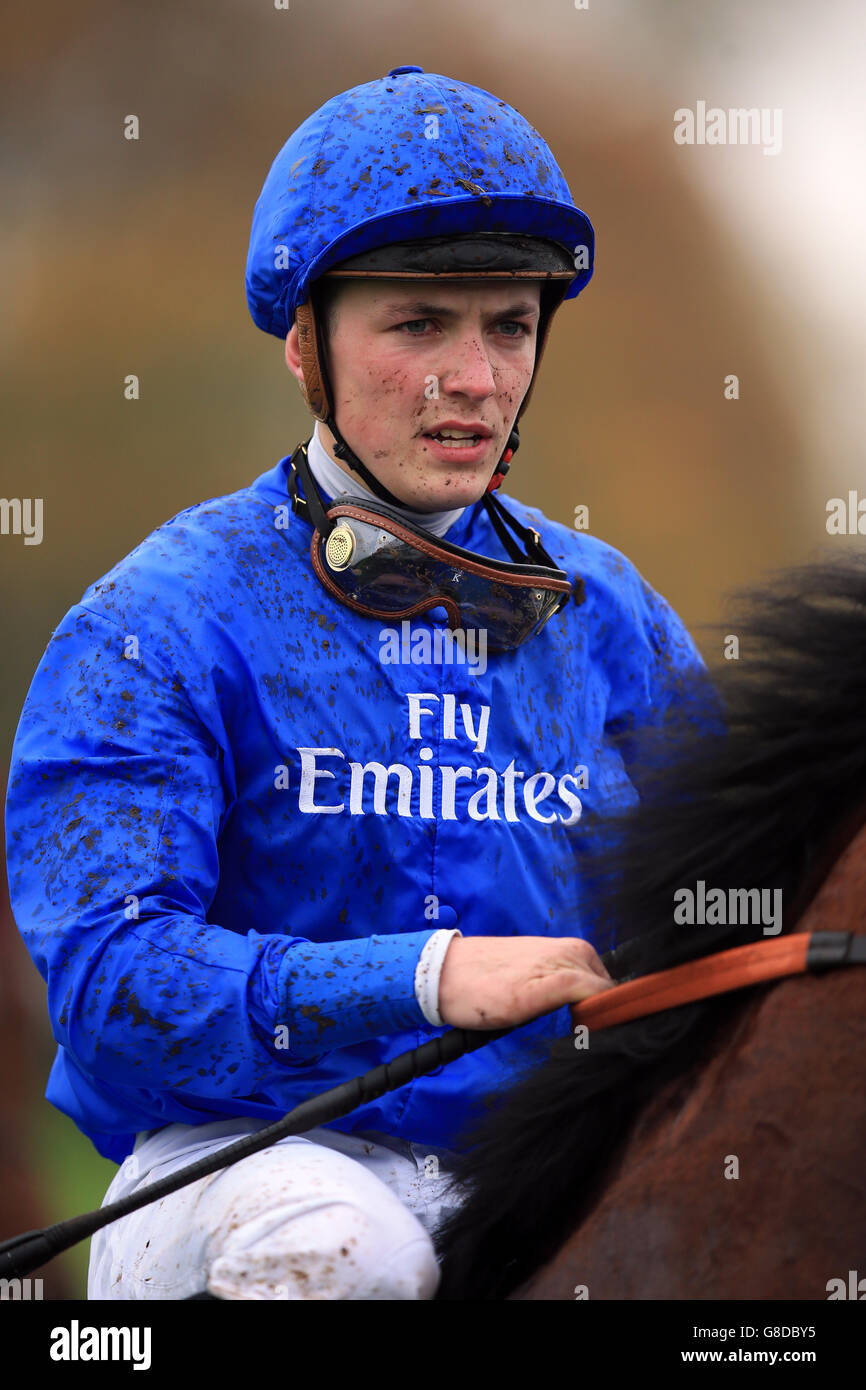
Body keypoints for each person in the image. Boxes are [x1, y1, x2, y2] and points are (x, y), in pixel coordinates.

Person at [4, 66, 708, 1300]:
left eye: (508, 325)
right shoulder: (154, 621)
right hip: (244, 1167)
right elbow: (112, 987)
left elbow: (728, 903)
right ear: (303, 344)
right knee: (350, 1253)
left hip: (535, 1165)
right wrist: (426, 976)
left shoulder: (615, 620)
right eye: (417, 325)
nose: (474, 378)